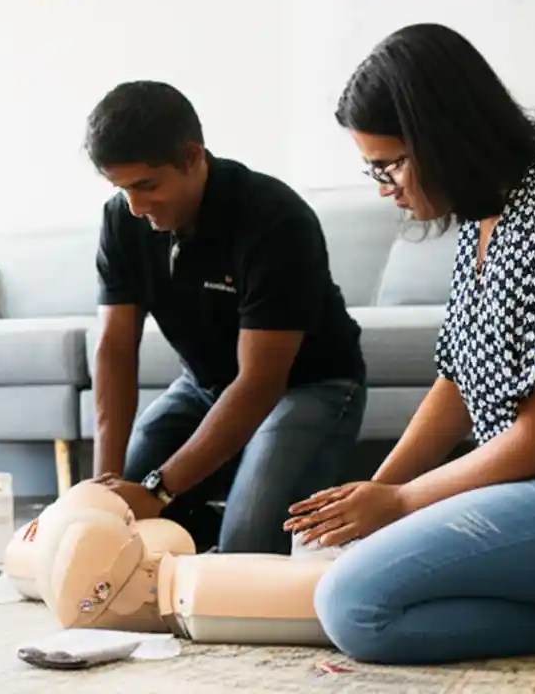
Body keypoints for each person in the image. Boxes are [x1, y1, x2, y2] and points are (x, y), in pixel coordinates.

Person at [285, 23, 535, 665]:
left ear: (441, 140)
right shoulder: (486, 217)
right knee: (344, 573)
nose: (382, 186)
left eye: (388, 165)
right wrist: (375, 495)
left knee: (357, 607)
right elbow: (458, 382)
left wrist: (406, 502)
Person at [87, 81, 367, 555]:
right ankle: (208, 524)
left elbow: (260, 382)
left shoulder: (275, 219)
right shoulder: (122, 218)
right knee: (120, 522)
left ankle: (247, 530)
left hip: (309, 387)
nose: (135, 207)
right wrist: (105, 487)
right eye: (121, 189)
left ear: (193, 157)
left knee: (246, 547)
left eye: (146, 186)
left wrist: (157, 490)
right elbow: (114, 348)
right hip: (202, 384)